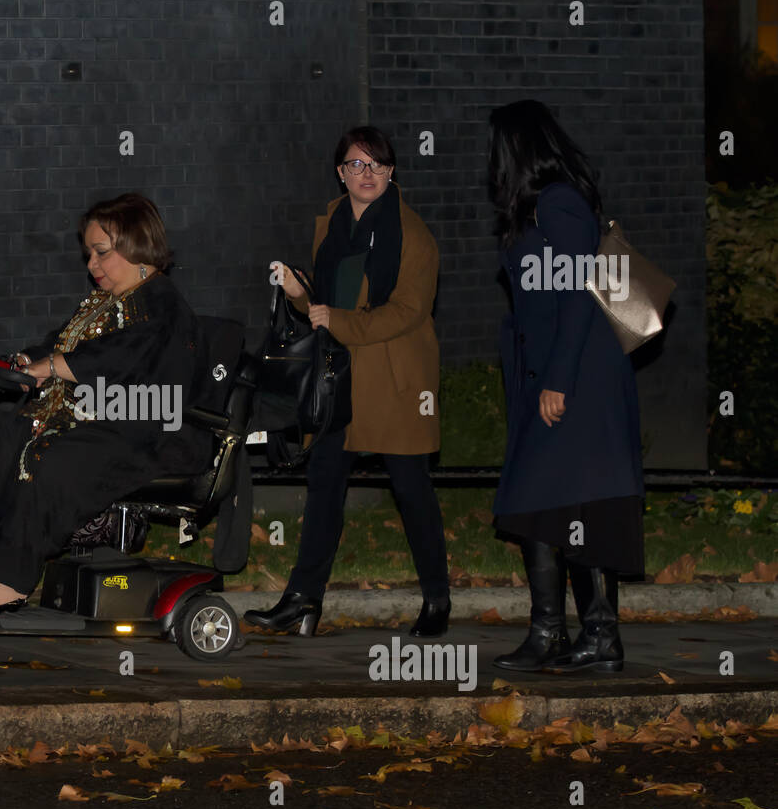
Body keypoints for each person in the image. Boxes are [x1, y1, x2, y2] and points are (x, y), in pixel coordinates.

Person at [0, 193, 206, 615]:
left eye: (101, 253)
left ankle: (11, 582)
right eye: (90, 254)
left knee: (52, 461)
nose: (92, 266)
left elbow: (122, 359)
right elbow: (61, 342)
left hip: (146, 428)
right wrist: (27, 361)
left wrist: (51, 367)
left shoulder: (161, 304)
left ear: (137, 245)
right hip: (95, 420)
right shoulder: (105, 303)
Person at [246, 126, 451, 638]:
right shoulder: (331, 225)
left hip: (396, 379)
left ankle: (438, 598)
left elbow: (408, 311)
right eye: (356, 164)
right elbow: (323, 304)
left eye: (377, 164)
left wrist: (339, 320)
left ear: (392, 171)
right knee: (324, 485)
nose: (367, 174)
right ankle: (301, 599)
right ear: (339, 172)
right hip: (339, 377)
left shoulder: (414, 235)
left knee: (411, 488)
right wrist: (298, 291)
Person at [487, 99, 644, 673]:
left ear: (519, 149)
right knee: (536, 500)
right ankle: (549, 632)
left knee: (581, 501)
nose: (491, 160)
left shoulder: (563, 204)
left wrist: (556, 380)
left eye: (498, 148)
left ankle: (600, 637)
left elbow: (580, 297)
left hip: (579, 379)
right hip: (546, 376)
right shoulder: (532, 211)